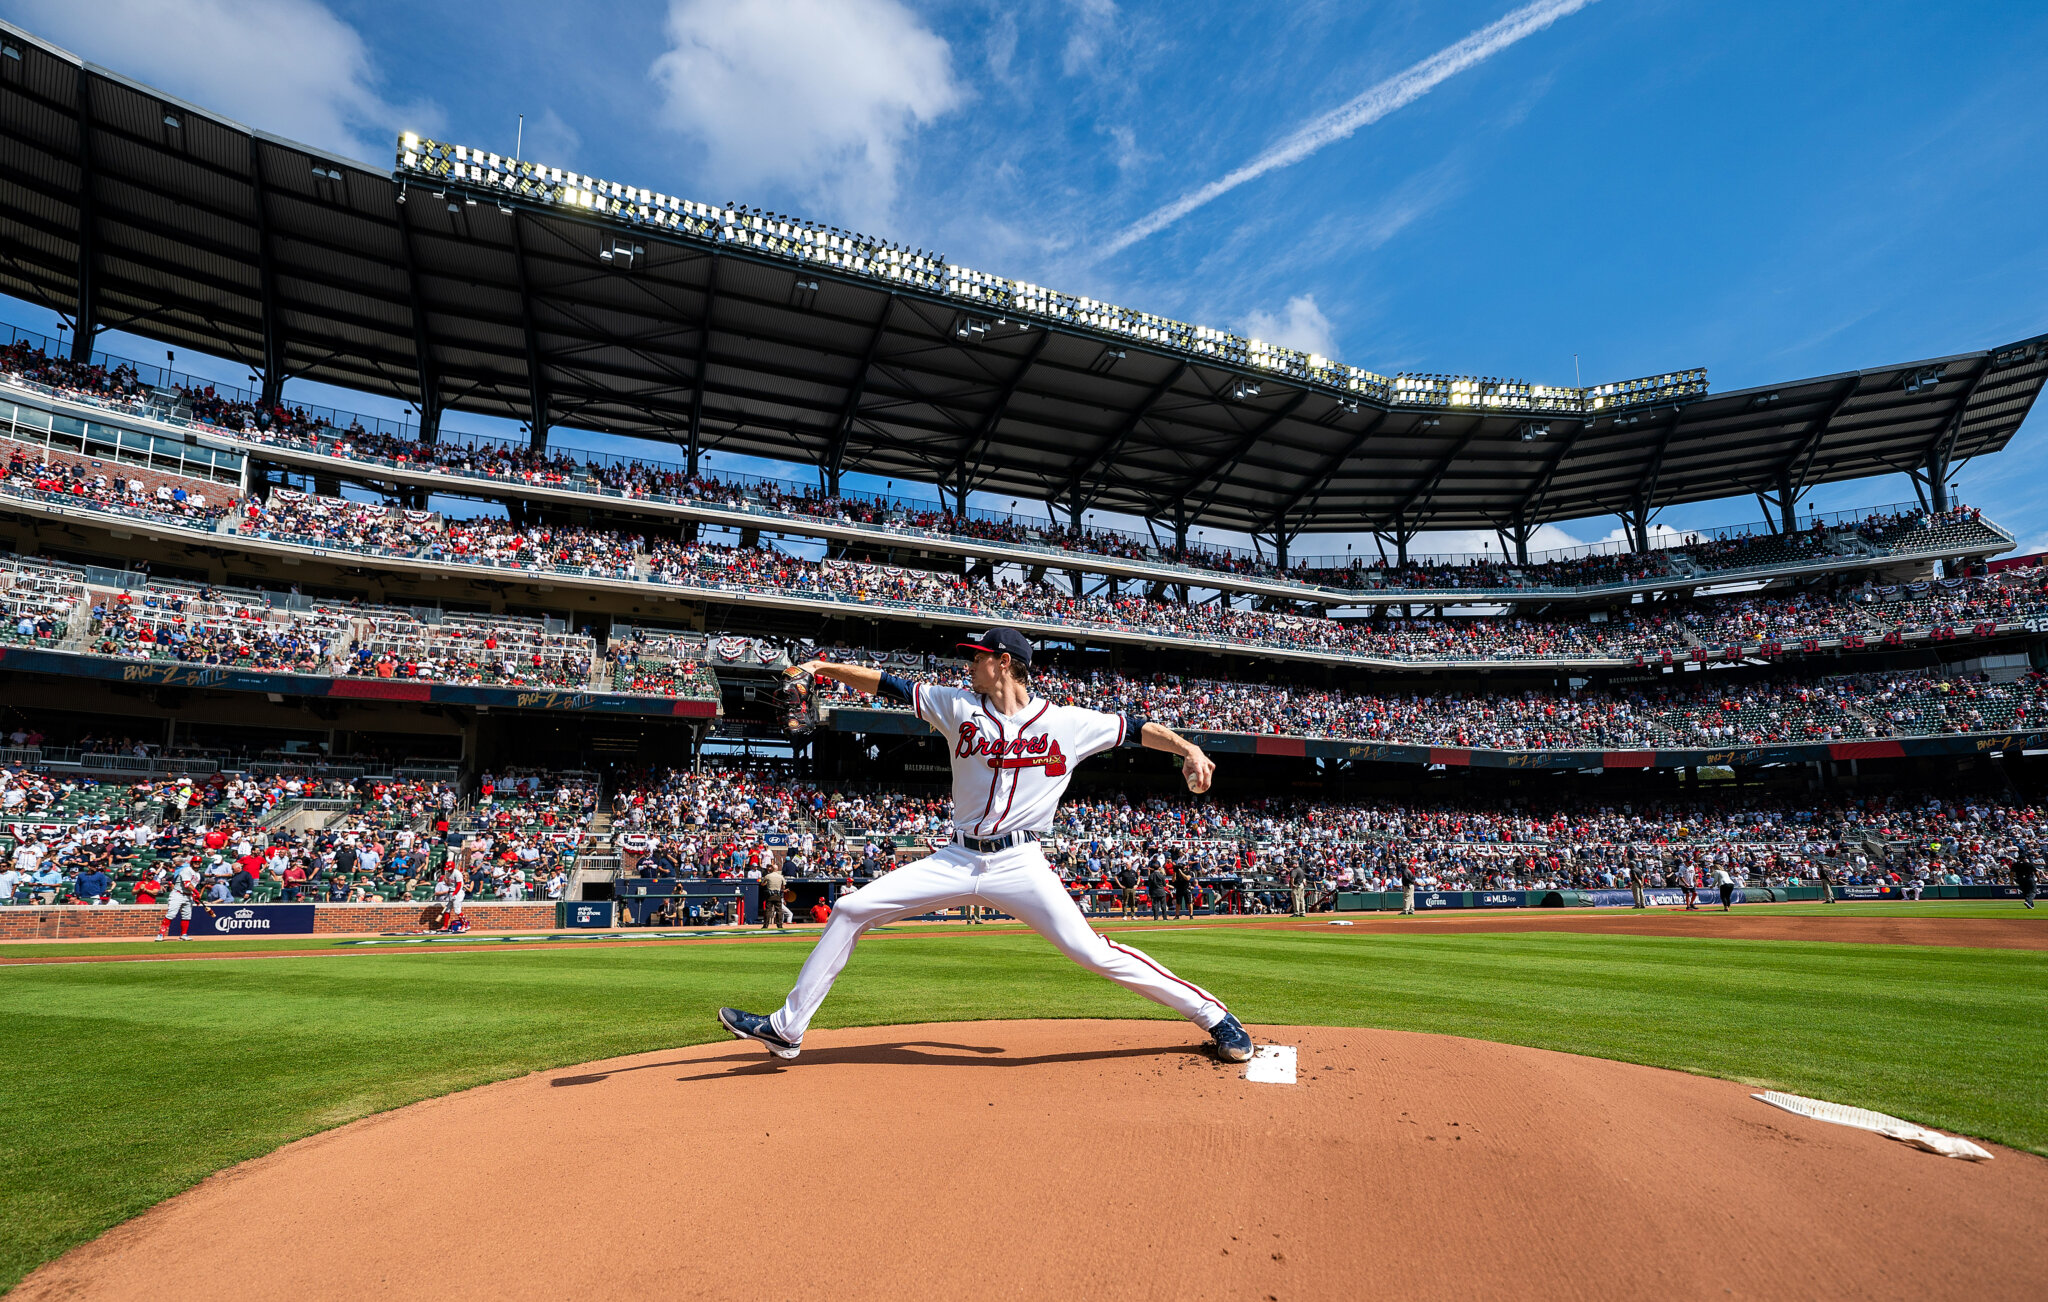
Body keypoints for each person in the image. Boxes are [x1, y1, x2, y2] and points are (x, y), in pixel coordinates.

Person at [717, 628, 1252, 1064]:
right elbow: (888, 685)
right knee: (851, 908)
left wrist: (1190, 749)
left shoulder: (1067, 722)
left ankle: (1213, 1015)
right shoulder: (957, 706)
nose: (967, 666)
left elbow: (1136, 729)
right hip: (958, 857)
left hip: (1022, 862)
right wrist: (822, 668)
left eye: (976, 658)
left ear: (1002, 662)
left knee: (1091, 951)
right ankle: (787, 1030)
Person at [155, 858, 203, 941]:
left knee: (187, 916)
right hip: (178, 894)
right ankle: (161, 934)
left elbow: (192, 887)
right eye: (195, 862)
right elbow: (187, 884)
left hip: (188, 896)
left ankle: (183, 934)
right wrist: (197, 893)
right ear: (192, 863)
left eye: (198, 862)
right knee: (171, 914)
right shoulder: (186, 870)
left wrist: (194, 897)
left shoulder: (198, 874)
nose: (197, 863)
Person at [759, 860, 787, 929]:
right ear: (777, 869)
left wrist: (766, 884)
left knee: (768, 911)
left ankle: (765, 925)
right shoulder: (781, 876)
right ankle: (779, 925)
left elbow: (762, 884)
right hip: (777, 895)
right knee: (779, 911)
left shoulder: (768, 876)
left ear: (772, 869)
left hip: (770, 895)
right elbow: (783, 887)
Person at [1147, 855, 1170, 922]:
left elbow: (1150, 885)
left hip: (1154, 892)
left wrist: (1150, 893)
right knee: (1163, 905)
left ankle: (1156, 917)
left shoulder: (1151, 876)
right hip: (1161, 891)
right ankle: (1164, 917)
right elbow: (1164, 884)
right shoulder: (1161, 875)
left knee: (1155, 906)